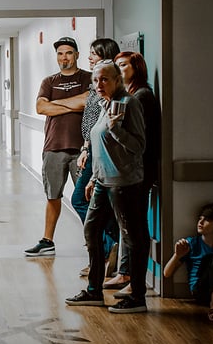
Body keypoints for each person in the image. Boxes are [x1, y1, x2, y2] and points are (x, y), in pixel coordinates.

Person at [64, 60, 150, 313]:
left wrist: (116, 130)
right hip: (102, 180)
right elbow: (101, 146)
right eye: (95, 80)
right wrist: (93, 178)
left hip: (124, 182)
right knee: (91, 231)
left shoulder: (129, 103)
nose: (99, 84)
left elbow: (138, 146)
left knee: (133, 238)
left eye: (104, 79)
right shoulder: (105, 104)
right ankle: (94, 291)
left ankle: (137, 297)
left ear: (117, 80)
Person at [24, 36, 92, 257]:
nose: (64, 57)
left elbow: (87, 100)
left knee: (86, 198)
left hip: (82, 149)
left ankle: (93, 241)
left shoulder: (89, 78)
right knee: (53, 196)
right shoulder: (49, 81)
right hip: (53, 147)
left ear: (77, 55)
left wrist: (56, 104)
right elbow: (41, 108)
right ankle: (47, 241)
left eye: (69, 53)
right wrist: (74, 103)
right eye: (61, 53)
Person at [109, 51, 163, 297]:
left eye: (124, 65)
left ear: (136, 67)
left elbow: (138, 140)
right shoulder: (131, 95)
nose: (119, 70)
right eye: (116, 66)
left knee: (136, 227)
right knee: (130, 225)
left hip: (139, 172)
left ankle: (134, 280)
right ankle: (126, 273)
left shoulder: (140, 97)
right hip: (133, 171)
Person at [71, 38, 120, 278]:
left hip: (99, 152)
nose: (89, 57)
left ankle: (110, 241)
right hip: (90, 149)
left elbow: (102, 124)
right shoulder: (95, 84)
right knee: (89, 202)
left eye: (93, 53)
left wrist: (88, 149)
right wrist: (84, 147)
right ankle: (103, 250)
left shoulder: (108, 88)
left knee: (80, 199)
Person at [162, 202, 213, 322]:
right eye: (200, 219)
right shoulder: (192, 244)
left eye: (206, 220)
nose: (200, 222)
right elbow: (166, 273)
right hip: (201, 291)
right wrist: (177, 255)